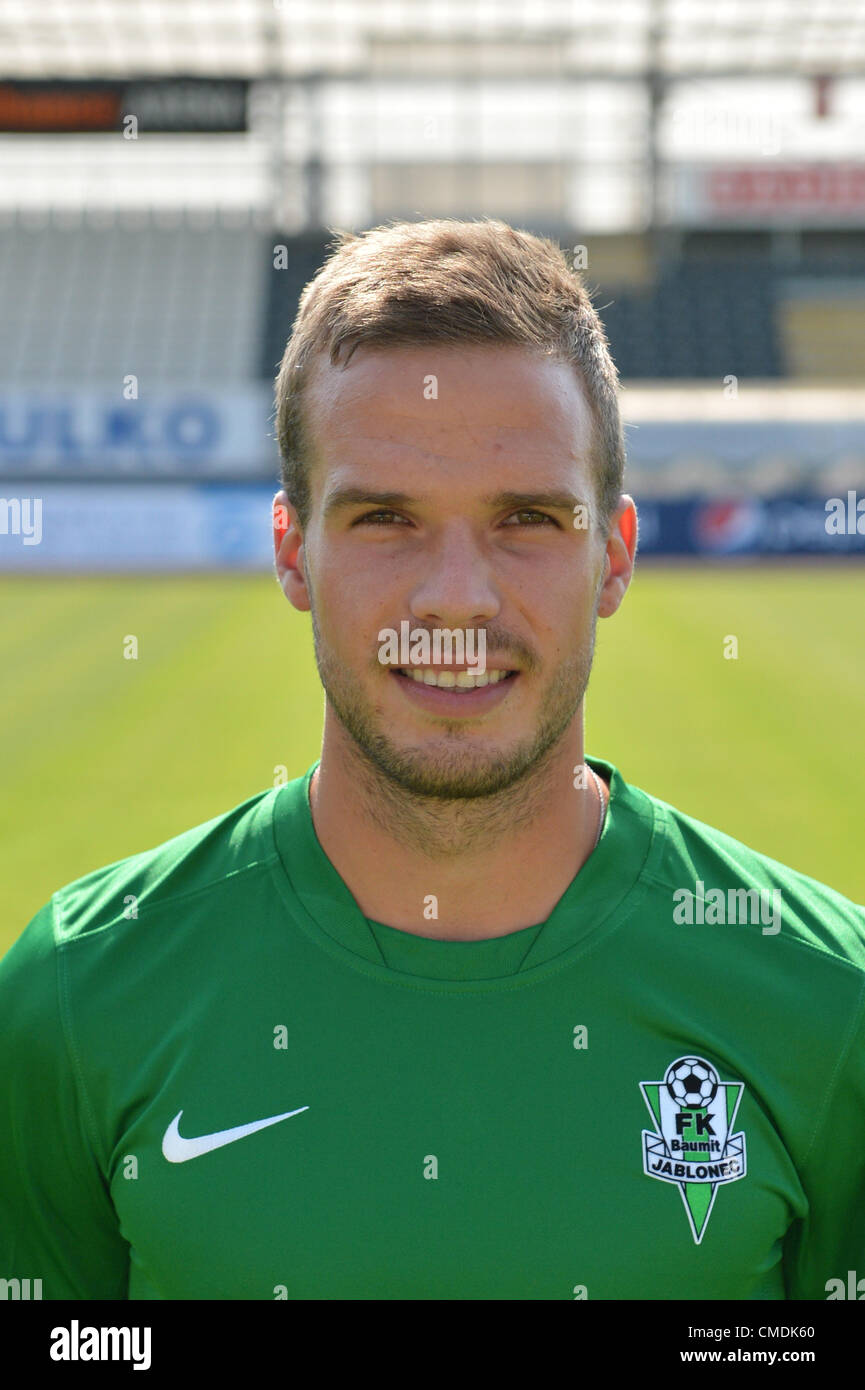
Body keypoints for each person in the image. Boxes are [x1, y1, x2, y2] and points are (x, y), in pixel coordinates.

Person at [1, 218, 863, 1301]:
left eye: (526, 519)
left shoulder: (832, 1003)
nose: (455, 598)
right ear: (291, 551)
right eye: (385, 519)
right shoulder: (77, 993)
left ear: (614, 555)